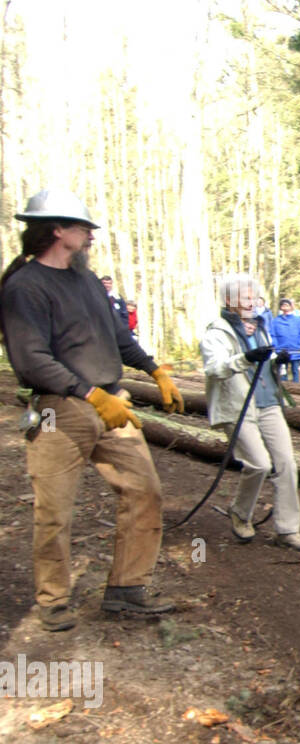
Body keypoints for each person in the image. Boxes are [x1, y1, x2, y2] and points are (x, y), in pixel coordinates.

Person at [0, 189, 183, 628]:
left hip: (111, 407)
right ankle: (53, 600)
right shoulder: (24, 287)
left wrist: (155, 369)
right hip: (59, 412)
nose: (91, 235)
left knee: (146, 491)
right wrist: (89, 394)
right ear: (57, 231)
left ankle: (126, 589)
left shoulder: (86, 281)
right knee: (55, 512)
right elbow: (31, 360)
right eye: (84, 228)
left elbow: (117, 336)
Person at [200, 274, 300, 551]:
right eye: (246, 297)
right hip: (237, 407)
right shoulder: (216, 332)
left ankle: (287, 530)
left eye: (254, 296)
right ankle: (240, 512)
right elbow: (215, 368)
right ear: (229, 301)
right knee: (260, 463)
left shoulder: (260, 325)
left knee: (286, 463)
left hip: (269, 403)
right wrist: (246, 358)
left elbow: (263, 359)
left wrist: (278, 359)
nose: (253, 301)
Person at [269, 297, 300, 383]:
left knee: (295, 371)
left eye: (287, 305)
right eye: (283, 305)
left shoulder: (298, 320)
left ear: (291, 307)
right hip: (281, 351)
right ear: (280, 307)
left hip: (295, 350)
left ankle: (297, 388)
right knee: (283, 372)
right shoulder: (276, 321)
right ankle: (283, 390)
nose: (285, 307)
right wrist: (276, 346)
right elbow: (272, 334)